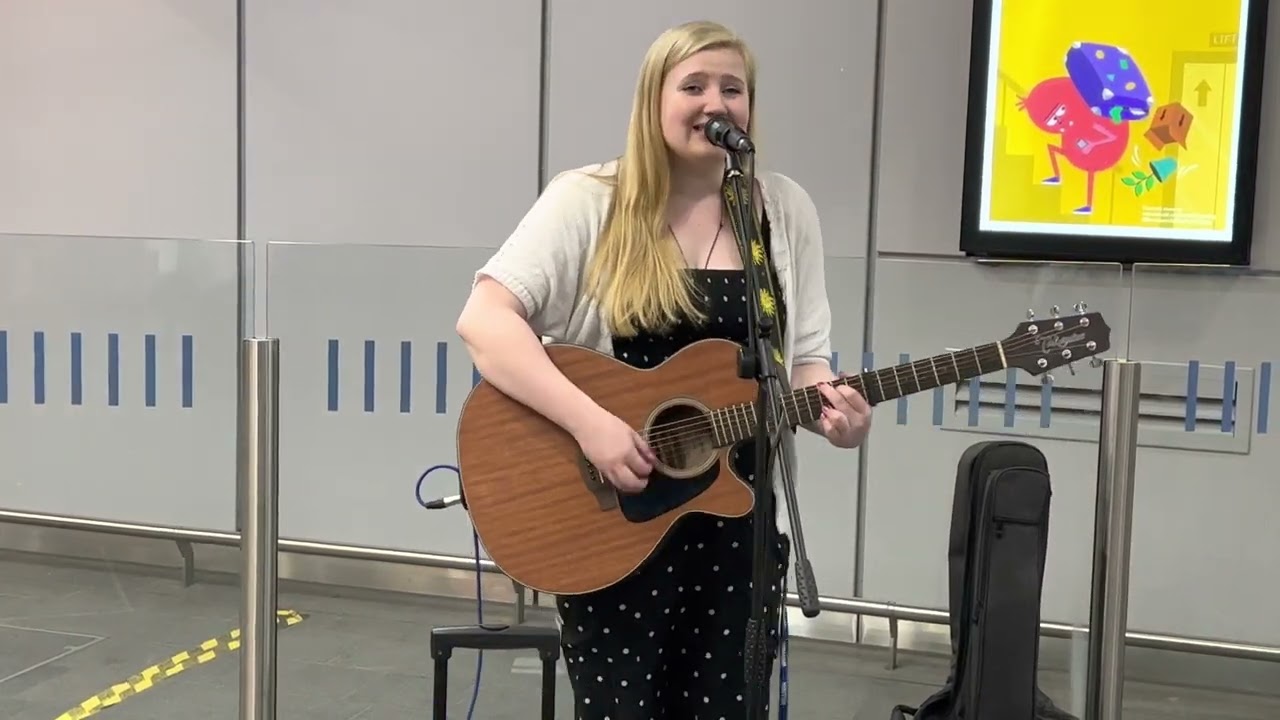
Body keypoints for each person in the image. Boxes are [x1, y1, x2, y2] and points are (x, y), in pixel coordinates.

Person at [456, 19, 872, 719]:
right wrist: (591, 425)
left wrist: (835, 412)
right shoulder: (591, 199)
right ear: (655, 99)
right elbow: (485, 320)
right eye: (694, 86)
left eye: (733, 89)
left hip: (737, 524)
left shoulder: (780, 212)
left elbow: (803, 360)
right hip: (615, 523)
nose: (716, 102)